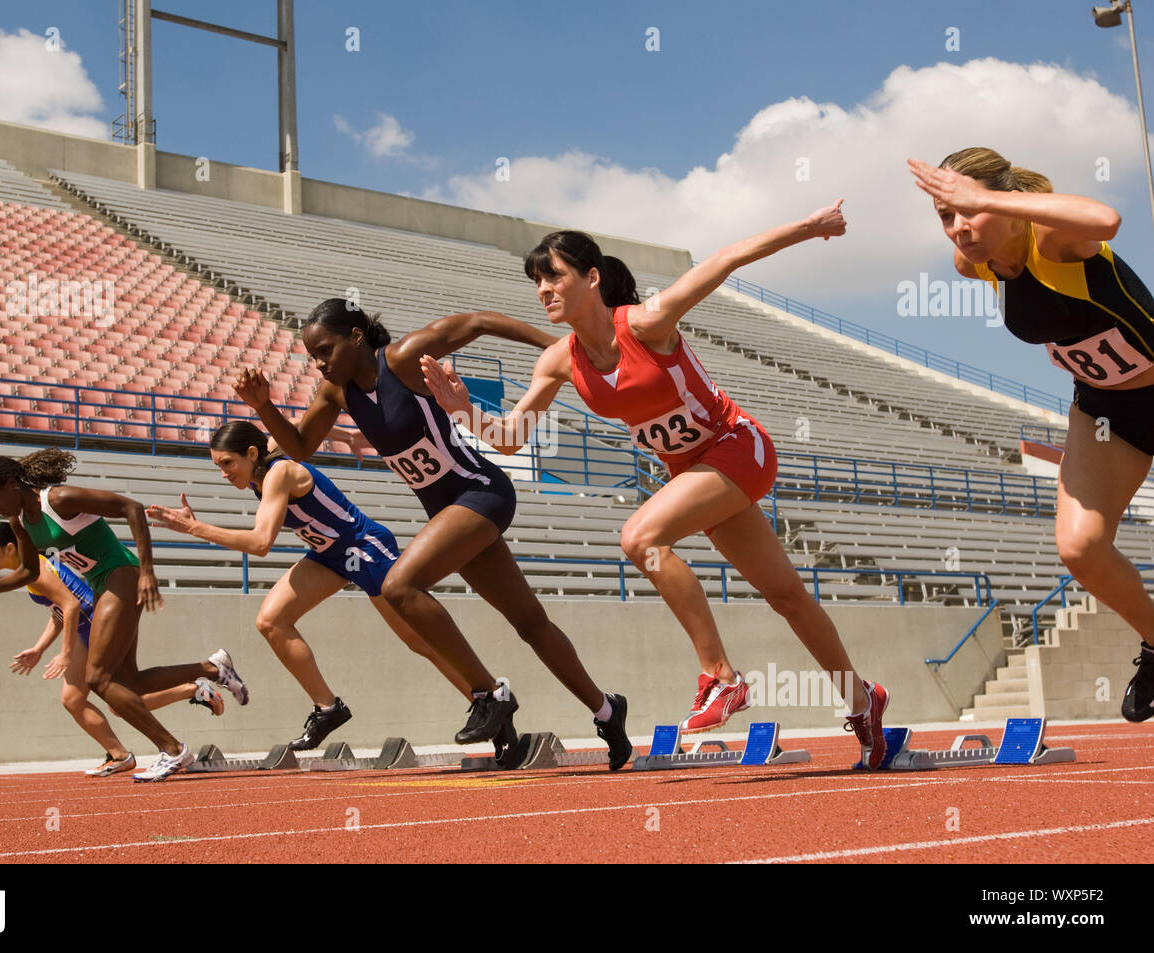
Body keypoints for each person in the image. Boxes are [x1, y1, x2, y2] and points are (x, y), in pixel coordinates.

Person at [420, 206, 892, 768]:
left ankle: (721, 677)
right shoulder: (558, 362)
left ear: (591, 277)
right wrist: (465, 411)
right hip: (694, 474)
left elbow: (726, 259)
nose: (544, 289)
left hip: (738, 447)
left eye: (555, 275)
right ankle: (864, 701)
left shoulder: (647, 323)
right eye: (537, 281)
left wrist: (808, 228)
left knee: (640, 536)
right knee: (786, 595)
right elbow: (511, 439)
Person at [234, 302, 633, 770]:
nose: (320, 362)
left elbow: (480, 321)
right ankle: (607, 710)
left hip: (481, 491)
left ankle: (490, 694)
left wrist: (564, 347)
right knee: (529, 622)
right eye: (313, 355)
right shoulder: (336, 393)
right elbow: (300, 447)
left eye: (326, 349)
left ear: (358, 336)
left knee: (398, 585)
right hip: (450, 511)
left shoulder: (403, 358)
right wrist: (263, 407)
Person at [909, 147, 1154, 723]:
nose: (960, 228)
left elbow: (1107, 220)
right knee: (1080, 548)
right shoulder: (976, 265)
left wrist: (985, 197)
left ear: (1008, 202)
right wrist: (976, 212)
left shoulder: (1053, 239)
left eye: (968, 211)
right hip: (1103, 414)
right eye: (946, 216)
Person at [146, 421, 473, 750]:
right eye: (218, 466)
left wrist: (195, 529)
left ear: (251, 453)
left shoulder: (278, 473)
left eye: (227, 464)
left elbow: (261, 543)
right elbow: (300, 427)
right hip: (329, 554)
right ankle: (328, 708)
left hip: (363, 547)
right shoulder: (264, 451)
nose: (224, 474)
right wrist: (348, 437)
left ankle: (484, 700)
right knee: (271, 621)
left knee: (421, 642)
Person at [0, 449, 249, 781]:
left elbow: (132, 508)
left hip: (122, 574)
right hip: (102, 585)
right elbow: (28, 572)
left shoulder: (58, 499)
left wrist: (146, 570)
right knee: (130, 681)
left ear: (12, 484)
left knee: (97, 678)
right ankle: (214, 668)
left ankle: (172, 749)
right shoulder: (20, 523)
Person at [0, 522, 225, 775]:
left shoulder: (37, 569)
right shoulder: (30, 570)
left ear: (10, 547)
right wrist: (39, 649)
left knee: (116, 700)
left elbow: (72, 606)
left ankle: (192, 690)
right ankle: (120, 755)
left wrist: (65, 653)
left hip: (92, 623)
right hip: (84, 626)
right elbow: (59, 611)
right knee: (76, 699)